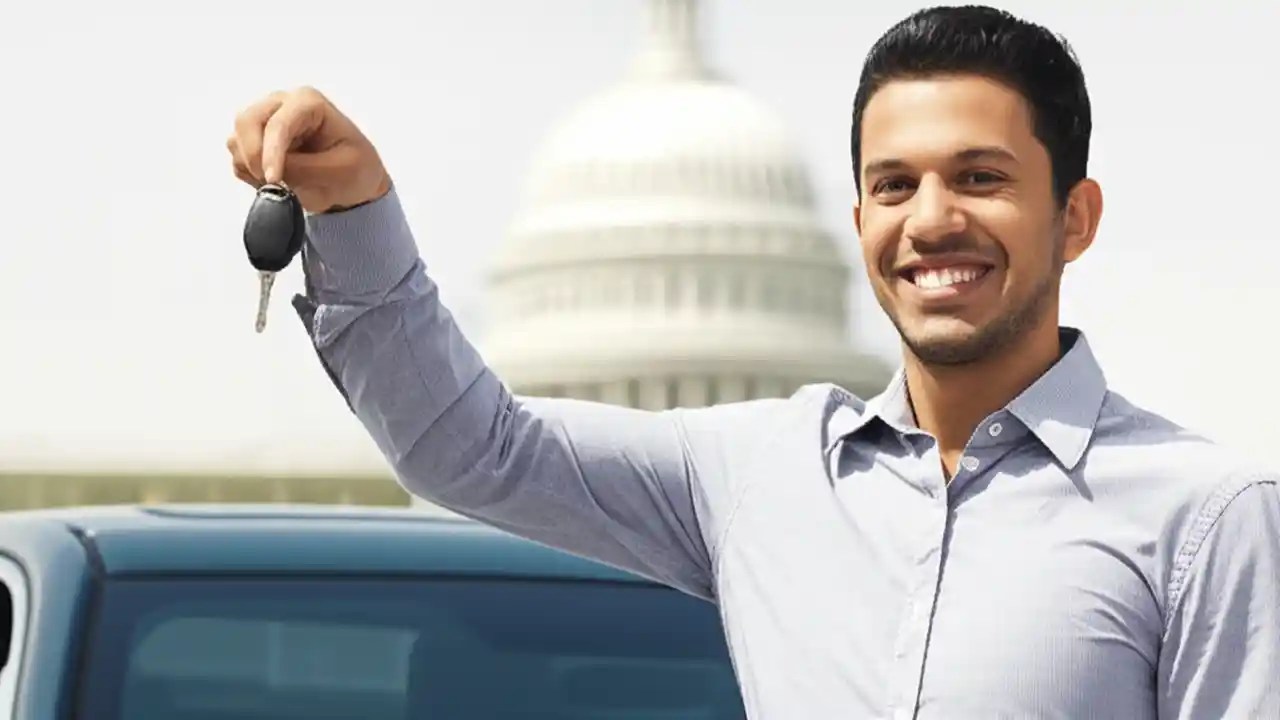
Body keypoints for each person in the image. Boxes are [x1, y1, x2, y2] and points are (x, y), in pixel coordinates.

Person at [226, 5, 1279, 718]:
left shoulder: (1204, 516)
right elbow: (466, 445)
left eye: (979, 176)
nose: (933, 220)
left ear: (1074, 218)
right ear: (858, 216)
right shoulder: (759, 477)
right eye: (895, 184)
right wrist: (352, 209)